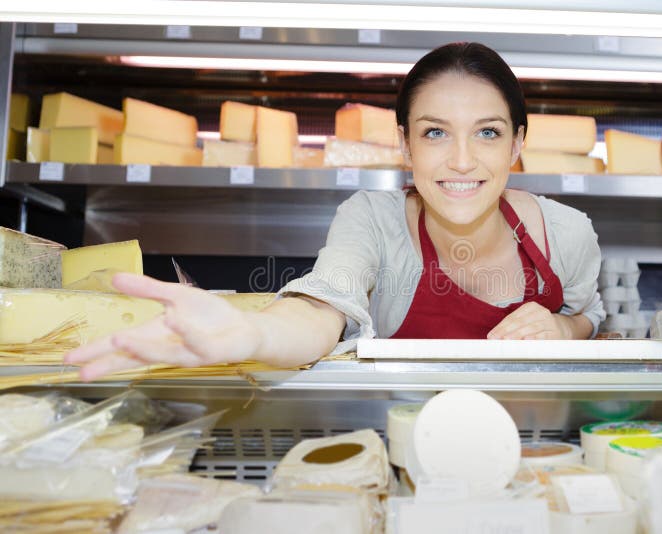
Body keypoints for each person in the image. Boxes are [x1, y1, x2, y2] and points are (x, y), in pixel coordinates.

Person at [66, 42, 604, 381]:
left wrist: (565, 327)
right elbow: (324, 306)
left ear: (516, 145)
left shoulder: (566, 234)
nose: (461, 161)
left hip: (535, 446)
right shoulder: (373, 218)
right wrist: (255, 335)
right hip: (401, 441)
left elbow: (591, 314)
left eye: (487, 132)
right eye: (435, 132)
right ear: (406, 145)